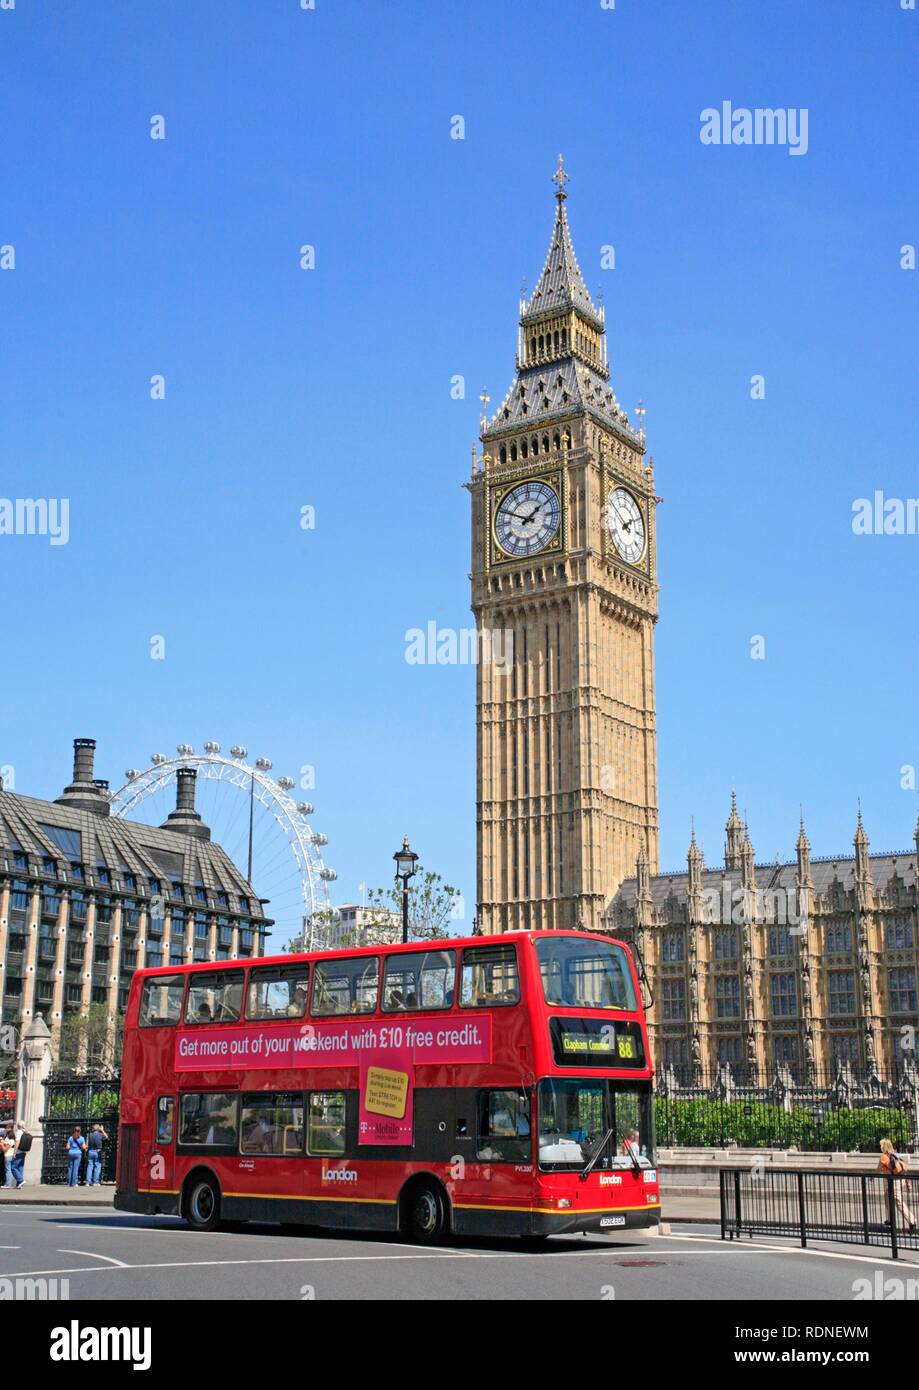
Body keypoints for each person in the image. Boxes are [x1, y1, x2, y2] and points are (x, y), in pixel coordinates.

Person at [878, 1137, 917, 1233]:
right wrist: (908, 1182)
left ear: (883, 1147)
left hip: (894, 1182)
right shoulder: (896, 1155)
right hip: (901, 1180)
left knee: (899, 1202)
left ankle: (912, 1222)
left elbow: (878, 1169)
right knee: (887, 1197)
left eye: (880, 1146)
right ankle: (890, 1219)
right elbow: (903, 1169)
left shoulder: (884, 1157)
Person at [9, 1123, 28, 1188]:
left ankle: (21, 1180)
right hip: (23, 1152)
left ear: (18, 1126)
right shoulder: (25, 1132)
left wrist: (14, 1152)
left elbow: (17, 1142)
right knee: (20, 1168)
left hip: (18, 1152)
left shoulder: (19, 1132)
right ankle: (19, 1184)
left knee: (13, 1167)